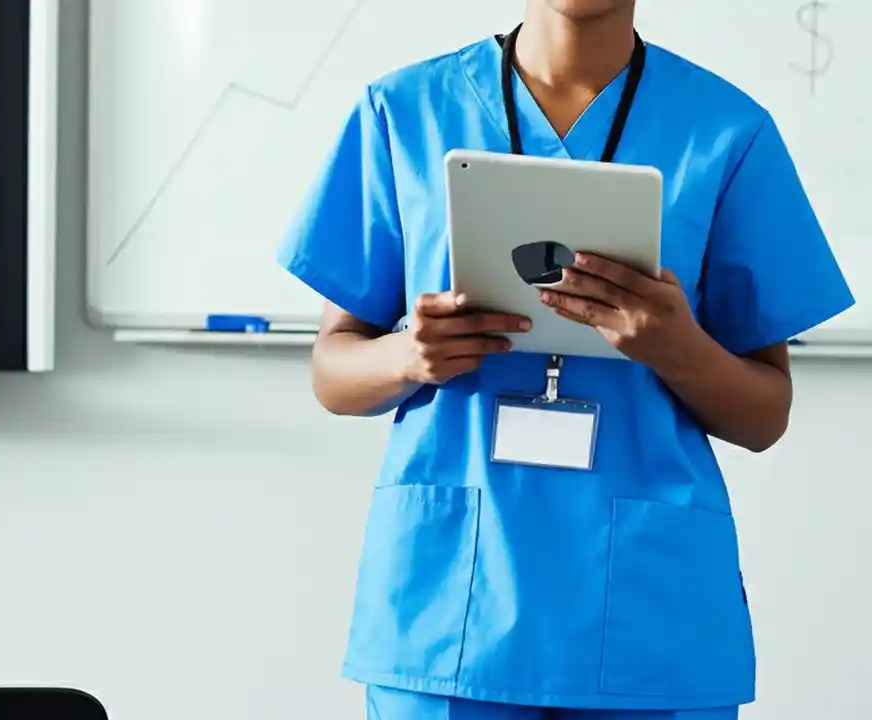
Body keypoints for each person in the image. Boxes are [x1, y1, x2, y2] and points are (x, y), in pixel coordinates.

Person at [276, 1, 855, 719]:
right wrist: (409, 355)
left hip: (649, 618)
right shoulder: (404, 112)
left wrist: (680, 351)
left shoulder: (726, 133)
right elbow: (334, 373)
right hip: (452, 610)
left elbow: (765, 414)